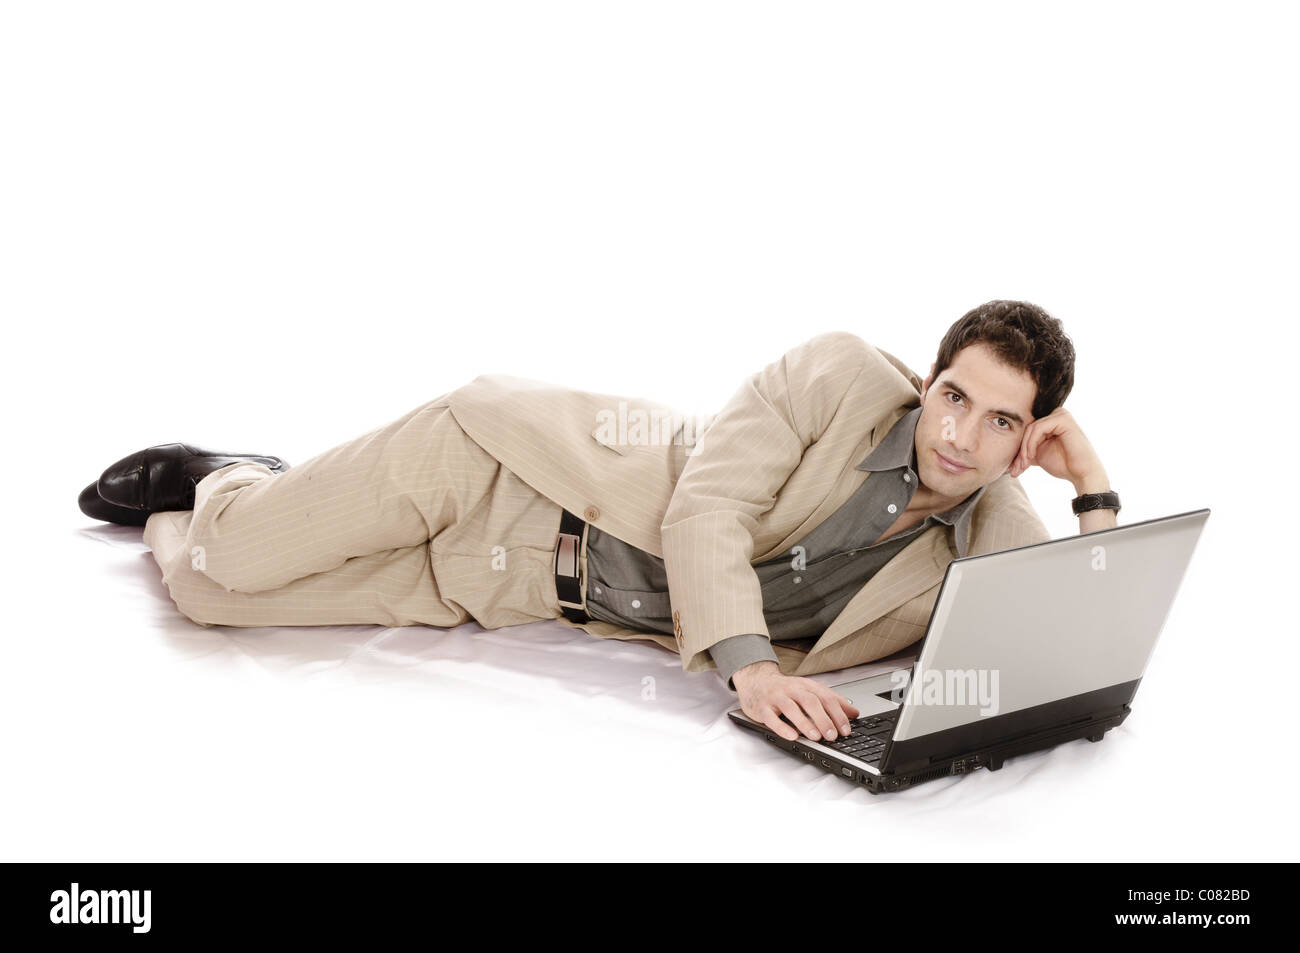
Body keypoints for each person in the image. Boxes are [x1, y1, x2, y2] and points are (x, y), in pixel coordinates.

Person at [79, 299, 1120, 746]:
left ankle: (250, 478)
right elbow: (707, 505)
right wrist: (752, 667)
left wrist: (1093, 488)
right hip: (509, 470)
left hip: (517, 580)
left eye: (999, 422)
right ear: (929, 376)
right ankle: (230, 478)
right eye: (951, 395)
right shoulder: (839, 373)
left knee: (206, 600)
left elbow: (1048, 648)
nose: (957, 434)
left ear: (1026, 437)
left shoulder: (985, 526)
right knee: (232, 553)